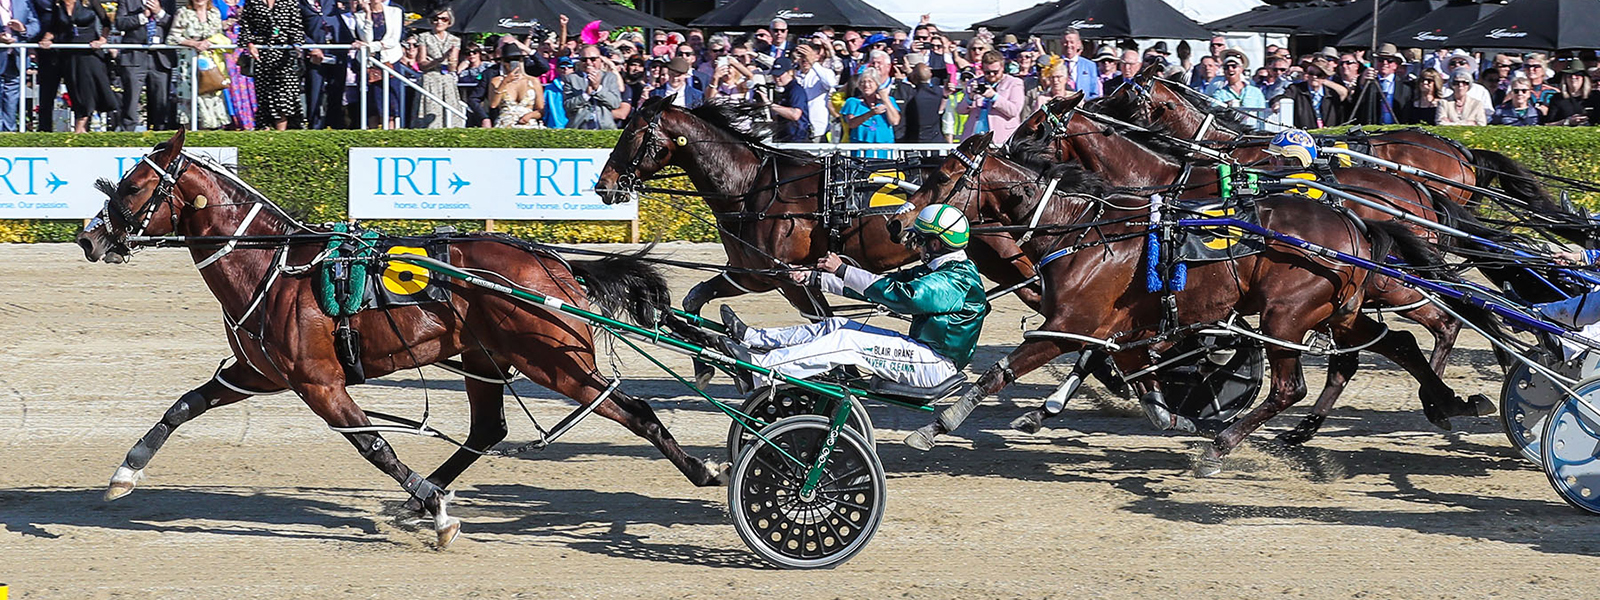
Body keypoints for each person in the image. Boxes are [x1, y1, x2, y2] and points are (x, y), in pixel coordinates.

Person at [717, 204, 989, 395]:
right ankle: (753, 338)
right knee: (836, 326)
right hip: (922, 352)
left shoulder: (955, 281)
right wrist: (815, 278)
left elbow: (902, 296)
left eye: (921, 240)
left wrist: (843, 270)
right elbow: (880, 286)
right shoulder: (940, 270)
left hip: (936, 366)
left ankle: (760, 370)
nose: (916, 246)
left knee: (847, 342)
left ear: (937, 244)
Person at [45, 0, 117, 132]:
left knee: (89, 89)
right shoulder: (58, 5)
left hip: (89, 52)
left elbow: (106, 22)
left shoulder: (89, 2)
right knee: (76, 89)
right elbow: (54, 28)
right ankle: (82, 125)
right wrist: (46, 39)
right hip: (70, 54)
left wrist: (102, 40)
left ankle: (81, 126)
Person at [114, 0, 175, 131]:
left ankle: (160, 136)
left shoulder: (168, 2)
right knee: (131, 101)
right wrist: (142, 17)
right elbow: (120, 23)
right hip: (134, 57)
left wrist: (159, 13)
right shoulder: (127, 2)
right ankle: (127, 136)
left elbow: (175, 24)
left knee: (161, 102)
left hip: (161, 58)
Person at [166, 0, 227, 130]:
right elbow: (172, 38)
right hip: (188, 65)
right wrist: (194, 44)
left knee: (209, 98)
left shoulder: (214, 13)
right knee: (189, 104)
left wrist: (211, 43)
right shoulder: (183, 13)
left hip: (209, 64)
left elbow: (219, 36)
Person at [346, 0, 401, 129]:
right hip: (368, 64)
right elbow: (366, 37)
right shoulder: (359, 15)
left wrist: (370, 46)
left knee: (390, 105)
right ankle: (372, 137)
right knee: (371, 105)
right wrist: (368, 14)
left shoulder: (395, 12)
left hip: (390, 61)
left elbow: (393, 40)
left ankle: (391, 137)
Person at [410, 8, 462, 128]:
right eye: (436, 19)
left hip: (447, 80)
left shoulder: (455, 40)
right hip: (430, 80)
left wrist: (451, 61)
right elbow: (422, 64)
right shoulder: (424, 37)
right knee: (429, 115)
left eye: (444, 19)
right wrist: (439, 60)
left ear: (449, 22)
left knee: (450, 114)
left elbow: (453, 65)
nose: (439, 22)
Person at [957, 50, 1023, 144]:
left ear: (1002, 68)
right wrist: (970, 98)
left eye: (995, 72)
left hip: (1001, 137)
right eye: (987, 72)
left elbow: (1014, 111)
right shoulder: (973, 83)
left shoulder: (1014, 83)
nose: (991, 75)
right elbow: (960, 110)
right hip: (974, 136)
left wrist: (994, 97)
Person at [302, 0, 349, 129]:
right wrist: (311, 47)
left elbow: (340, 20)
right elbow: (295, 28)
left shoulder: (330, 2)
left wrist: (352, 41)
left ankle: (335, 125)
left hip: (337, 50)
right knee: (315, 91)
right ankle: (315, 127)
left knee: (337, 90)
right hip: (315, 53)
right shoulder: (298, 3)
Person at [0, 0, 37, 131]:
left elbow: (35, 24)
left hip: (16, 57)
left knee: (11, 97)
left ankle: (9, 133)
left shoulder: (23, 2)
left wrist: (23, 29)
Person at [489, 45, 543, 129]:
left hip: (528, 125)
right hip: (504, 125)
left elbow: (541, 110)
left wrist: (530, 116)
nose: (512, 63)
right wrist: (504, 82)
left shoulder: (533, 81)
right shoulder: (496, 81)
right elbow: (493, 104)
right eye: (508, 60)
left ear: (521, 61)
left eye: (516, 59)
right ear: (503, 62)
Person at [840, 68, 898, 144]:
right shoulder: (853, 102)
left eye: (870, 81)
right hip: (860, 145)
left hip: (884, 145)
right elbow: (851, 124)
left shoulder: (889, 100)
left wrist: (885, 99)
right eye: (863, 82)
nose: (866, 85)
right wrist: (870, 113)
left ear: (877, 84)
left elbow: (895, 121)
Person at [1275, 64, 1341, 129]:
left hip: (1328, 135)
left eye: (1319, 75)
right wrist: (1277, 103)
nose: (1314, 77)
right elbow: (1282, 97)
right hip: (1303, 134)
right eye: (1311, 73)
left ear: (1324, 77)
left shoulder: (1332, 94)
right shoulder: (1295, 89)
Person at [1210, 52, 1266, 121]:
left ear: (1241, 69)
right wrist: (1225, 106)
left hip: (1253, 130)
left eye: (1234, 66)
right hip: (1230, 130)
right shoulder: (1219, 94)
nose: (1230, 69)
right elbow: (1214, 112)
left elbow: (1263, 114)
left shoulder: (1255, 92)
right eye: (1226, 67)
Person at [900, 63, 944, 143]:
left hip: (914, 140)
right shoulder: (938, 92)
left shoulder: (911, 94)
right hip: (935, 139)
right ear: (930, 75)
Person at [1054, 27, 1100, 98]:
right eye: (1065, 42)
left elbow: (1094, 93)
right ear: (1061, 43)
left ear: (1078, 44)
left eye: (1072, 42)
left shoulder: (1090, 65)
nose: (1069, 45)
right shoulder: (1054, 64)